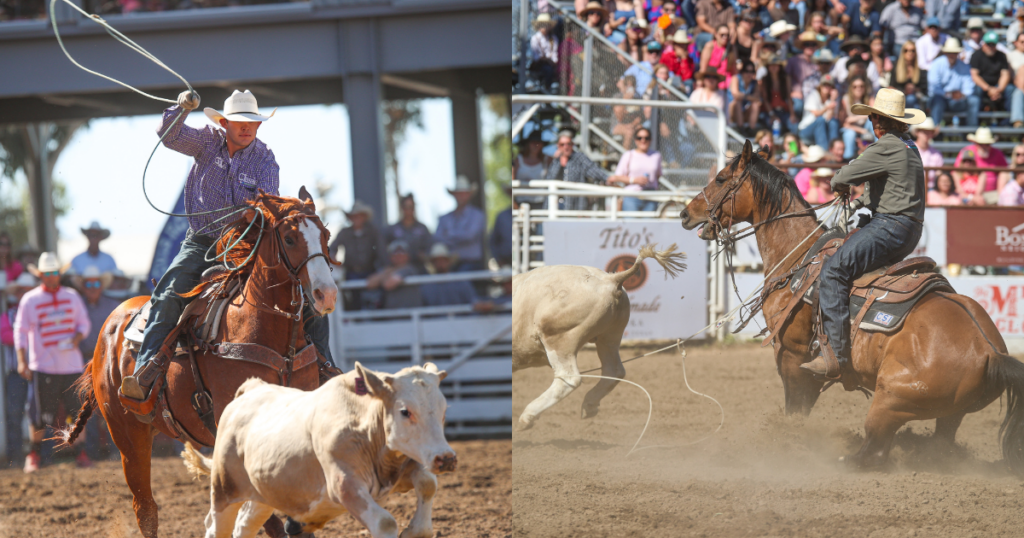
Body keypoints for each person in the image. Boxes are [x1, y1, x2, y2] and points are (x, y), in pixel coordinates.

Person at [121, 90, 333, 404]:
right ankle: (146, 367)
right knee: (168, 295)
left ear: (259, 126)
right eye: (239, 122)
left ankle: (326, 367)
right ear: (224, 122)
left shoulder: (265, 159)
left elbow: (265, 203)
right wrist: (182, 108)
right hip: (201, 242)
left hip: (245, 242)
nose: (247, 128)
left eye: (253, 122)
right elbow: (169, 135)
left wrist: (254, 212)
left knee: (303, 297)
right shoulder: (207, 142)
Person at [801, 88, 926, 381]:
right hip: (908, 229)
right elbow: (885, 190)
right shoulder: (910, 146)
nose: (871, 122)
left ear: (877, 120)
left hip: (889, 227)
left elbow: (841, 178)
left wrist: (840, 186)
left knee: (833, 271)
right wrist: (859, 203)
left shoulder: (885, 146)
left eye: (872, 117)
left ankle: (835, 355)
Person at [14, 253, 92, 472]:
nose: (51, 277)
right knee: (39, 415)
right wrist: (22, 361)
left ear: (59, 274)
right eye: (47, 273)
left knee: (77, 413)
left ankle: (81, 453)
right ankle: (34, 455)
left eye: (54, 272)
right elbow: (20, 331)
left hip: (71, 366)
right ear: (40, 275)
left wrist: (76, 338)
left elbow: (84, 324)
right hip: (43, 366)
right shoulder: (30, 299)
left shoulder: (72, 296)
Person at [74, 266, 119, 462]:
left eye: (96, 283)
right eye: (89, 284)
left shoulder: (113, 305)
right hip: (82, 361)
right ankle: (90, 452)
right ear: (83, 286)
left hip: (107, 360)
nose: (92, 287)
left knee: (111, 406)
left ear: (101, 285)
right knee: (87, 406)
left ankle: (116, 450)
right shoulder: (76, 305)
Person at [545, 130, 631, 211]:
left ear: (573, 144)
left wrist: (607, 178)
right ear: (558, 145)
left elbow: (593, 169)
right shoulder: (555, 162)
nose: (565, 147)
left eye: (568, 144)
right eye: (562, 144)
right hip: (554, 205)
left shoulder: (579, 158)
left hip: (574, 206)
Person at [2, 273, 34, 467]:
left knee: (39, 414)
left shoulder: (39, 312)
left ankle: (41, 454)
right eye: (21, 291)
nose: (24, 294)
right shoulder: (8, 315)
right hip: (16, 373)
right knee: (14, 414)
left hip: (38, 370)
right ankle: (15, 457)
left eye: (27, 291)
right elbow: (5, 335)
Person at [330, 200, 384, 310]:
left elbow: (382, 252)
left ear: (364, 217)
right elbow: (332, 249)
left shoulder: (372, 232)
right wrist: (335, 262)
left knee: (373, 302)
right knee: (352, 303)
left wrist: (382, 272)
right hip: (351, 274)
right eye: (354, 216)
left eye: (359, 216)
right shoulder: (345, 232)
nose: (356, 219)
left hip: (370, 273)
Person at [434, 176, 487, 272]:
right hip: (449, 266)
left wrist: (449, 234)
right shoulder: (445, 218)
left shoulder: (477, 215)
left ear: (469, 195)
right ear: (454, 195)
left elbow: (469, 236)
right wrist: (460, 236)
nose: (461, 196)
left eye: (464, 193)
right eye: (458, 194)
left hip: (472, 264)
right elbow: (437, 237)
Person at [928, 38, 980, 127]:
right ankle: (935, 132)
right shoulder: (937, 64)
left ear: (958, 53)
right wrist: (950, 94)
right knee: (937, 100)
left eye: (954, 53)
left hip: (959, 100)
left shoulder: (964, 66)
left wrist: (961, 95)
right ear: (945, 53)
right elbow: (933, 87)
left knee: (974, 100)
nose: (952, 55)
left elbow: (968, 87)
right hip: (941, 99)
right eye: (949, 53)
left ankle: (971, 132)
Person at [609, 126, 662, 211]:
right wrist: (634, 180)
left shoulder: (656, 156)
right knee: (631, 223)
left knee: (649, 224)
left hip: (651, 196)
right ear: (635, 140)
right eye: (639, 138)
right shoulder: (628, 155)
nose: (643, 140)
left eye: (646, 138)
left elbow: (658, 176)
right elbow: (616, 177)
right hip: (632, 196)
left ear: (650, 140)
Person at [954, 127, 1009, 201]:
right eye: (981, 144)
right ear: (975, 142)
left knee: (1004, 174)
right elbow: (956, 172)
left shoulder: (998, 154)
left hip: (992, 193)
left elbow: (1005, 172)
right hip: (969, 193)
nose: (984, 147)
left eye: (986, 144)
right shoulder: (967, 151)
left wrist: (1000, 194)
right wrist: (966, 194)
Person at [383, 195, 432, 273]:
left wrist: (422, 255)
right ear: (401, 208)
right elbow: (384, 250)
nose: (408, 210)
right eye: (406, 207)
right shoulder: (392, 229)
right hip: (397, 270)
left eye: (411, 207)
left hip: (418, 269)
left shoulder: (422, 228)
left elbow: (429, 249)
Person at [366, 241, 423, 309]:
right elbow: (370, 283)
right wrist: (387, 272)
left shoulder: (410, 269)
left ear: (408, 256)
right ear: (390, 257)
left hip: (409, 316)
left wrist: (384, 276)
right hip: (392, 316)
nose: (399, 255)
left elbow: (388, 284)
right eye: (395, 253)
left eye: (402, 252)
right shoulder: (387, 269)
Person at [970, 31, 1013, 116]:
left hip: (998, 87)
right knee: (974, 91)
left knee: (1011, 89)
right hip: (982, 87)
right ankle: (975, 120)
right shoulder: (976, 55)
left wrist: (999, 89)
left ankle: (1009, 121)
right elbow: (975, 76)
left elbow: (1005, 74)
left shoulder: (1002, 56)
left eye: (993, 44)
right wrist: (989, 89)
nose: (991, 47)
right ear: (984, 44)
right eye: (988, 44)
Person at [798, 74, 840, 149]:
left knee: (833, 122)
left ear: (832, 87)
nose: (826, 87)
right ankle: (824, 152)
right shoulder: (813, 95)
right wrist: (827, 107)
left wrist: (833, 100)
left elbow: (829, 118)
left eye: (829, 85)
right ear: (820, 86)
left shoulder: (832, 100)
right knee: (820, 120)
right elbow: (816, 114)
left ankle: (834, 150)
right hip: (806, 131)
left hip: (821, 132)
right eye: (824, 84)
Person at [787, 31, 822, 118]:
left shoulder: (817, 65)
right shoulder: (793, 60)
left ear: (816, 47)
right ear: (803, 46)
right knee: (798, 106)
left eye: (813, 44)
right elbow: (785, 80)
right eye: (807, 44)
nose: (810, 47)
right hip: (797, 97)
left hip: (812, 98)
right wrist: (791, 93)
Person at [840, 75, 872, 159]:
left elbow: (874, 115)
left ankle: (877, 153)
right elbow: (845, 124)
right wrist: (861, 130)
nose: (859, 88)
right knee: (850, 134)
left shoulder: (868, 99)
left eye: (861, 86)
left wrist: (854, 118)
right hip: (852, 129)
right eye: (855, 86)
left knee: (872, 122)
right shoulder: (845, 99)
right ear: (851, 88)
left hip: (865, 127)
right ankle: (848, 158)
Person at [729, 60, 762, 134]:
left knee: (755, 105)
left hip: (745, 112)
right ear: (742, 71)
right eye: (747, 71)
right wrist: (750, 97)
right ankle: (741, 128)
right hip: (732, 112)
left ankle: (751, 129)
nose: (749, 74)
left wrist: (743, 96)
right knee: (737, 102)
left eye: (752, 71)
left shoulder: (754, 82)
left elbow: (757, 98)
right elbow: (735, 94)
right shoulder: (736, 78)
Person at [530, 13, 559, 91]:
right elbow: (536, 56)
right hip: (540, 65)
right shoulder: (535, 38)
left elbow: (554, 53)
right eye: (542, 25)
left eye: (546, 25)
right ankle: (547, 89)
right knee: (548, 70)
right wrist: (547, 60)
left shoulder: (553, 38)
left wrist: (554, 62)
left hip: (551, 63)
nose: (544, 27)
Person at [893, 41, 926, 110]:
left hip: (915, 99)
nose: (909, 53)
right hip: (898, 99)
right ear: (903, 52)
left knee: (912, 99)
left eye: (912, 50)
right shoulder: (895, 67)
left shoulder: (920, 70)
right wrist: (904, 91)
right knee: (910, 99)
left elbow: (924, 89)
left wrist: (914, 89)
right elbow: (891, 86)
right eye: (906, 50)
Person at [700, 24, 734, 91]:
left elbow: (734, 71)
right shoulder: (710, 46)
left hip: (727, 84)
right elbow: (703, 68)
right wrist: (700, 83)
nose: (725, 37)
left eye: (727, 35)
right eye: (722, 35)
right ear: (716, 34)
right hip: (712, 81)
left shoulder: (731, 48)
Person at [911, 117, 942, 187]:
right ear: (917, 133)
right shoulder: (908, 149)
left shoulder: (937, 154)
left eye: (929, 132)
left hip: (931, 189)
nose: (926, 134)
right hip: (912, 187)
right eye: (924, 131)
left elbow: (939, 175)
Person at [490, 186, 514, 267]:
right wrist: (498, 259)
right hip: (506, 261)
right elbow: (493, 241)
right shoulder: (502, 216)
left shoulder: (531, 215)